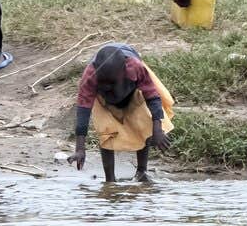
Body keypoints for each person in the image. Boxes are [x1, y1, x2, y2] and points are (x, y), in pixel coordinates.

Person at [69, 43, 174, 183]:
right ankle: (110, 181)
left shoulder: (135, 67)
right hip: (103, 99)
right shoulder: (90, 75)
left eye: (111, 82)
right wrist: (80, 149)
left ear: (123, 70)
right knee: (106, 132)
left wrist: (157, 130)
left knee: (144, 122)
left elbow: (153, 97)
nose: (107, 87)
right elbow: (83, 110)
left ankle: (142, 172)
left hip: (132, 89)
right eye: (103, 82)